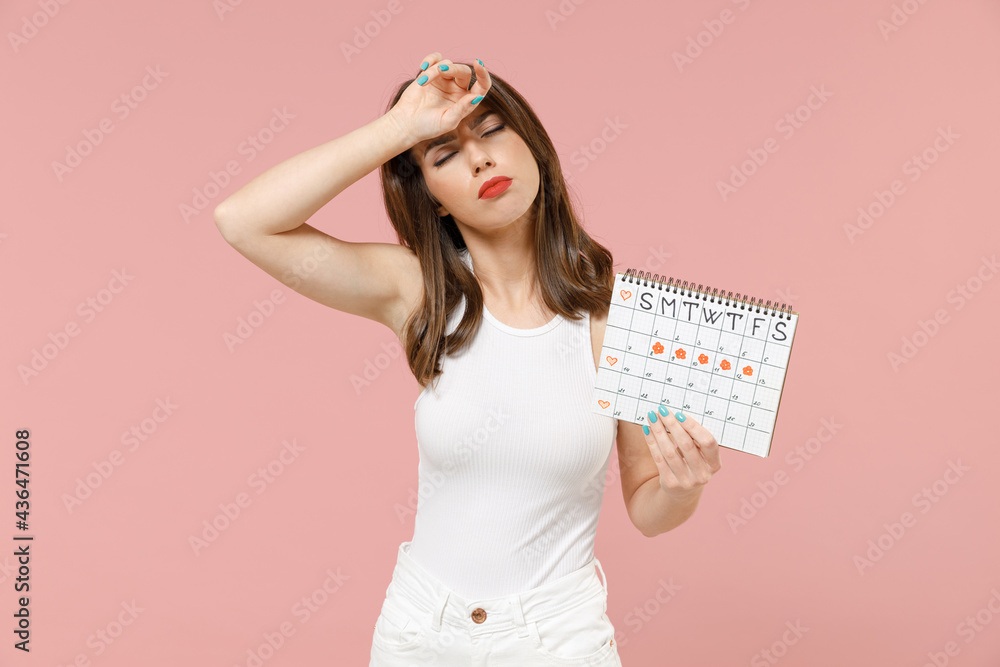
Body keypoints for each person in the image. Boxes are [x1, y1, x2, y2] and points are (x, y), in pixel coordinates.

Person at [213, 51, 722, 666]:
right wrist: (400, 130)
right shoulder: (419, 292)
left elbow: (649, 509)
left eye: (490, 132)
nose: (479, 157)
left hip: (558, 641)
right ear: (434, 199)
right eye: (445, 154)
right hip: (421, 633)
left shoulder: (621, 317)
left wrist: (683, 486)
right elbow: (244, 222)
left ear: (532, 146)